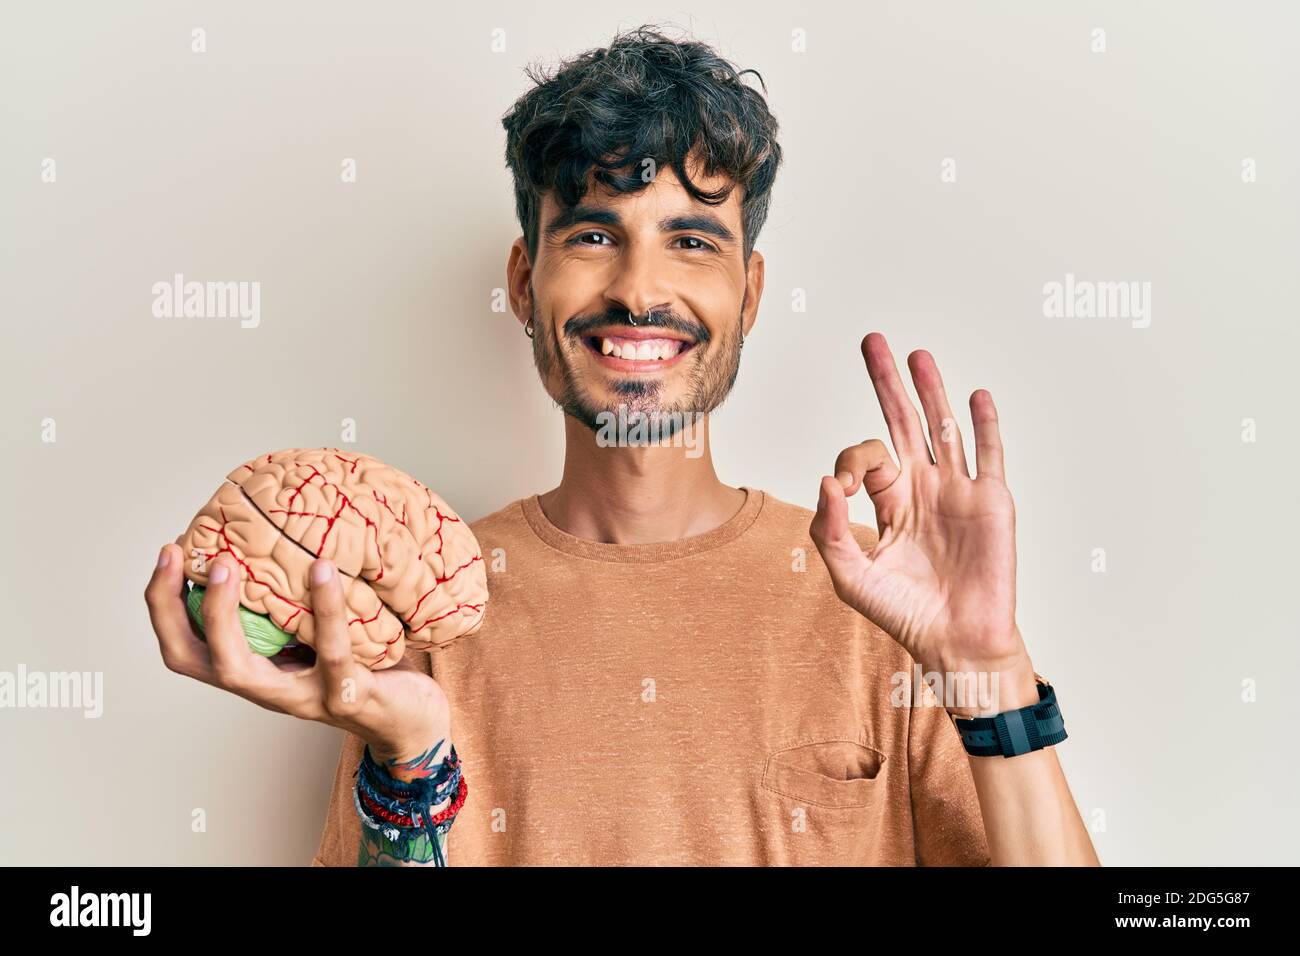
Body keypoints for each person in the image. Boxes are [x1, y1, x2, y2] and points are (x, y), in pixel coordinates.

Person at [145, 25, 1099, 867]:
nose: (640, 289)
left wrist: (991, 665)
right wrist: (410, 767)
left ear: (752, 295)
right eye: (595, 233)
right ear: (524, 283)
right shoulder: (418, 619)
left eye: (691, 241)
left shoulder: (880, 603)